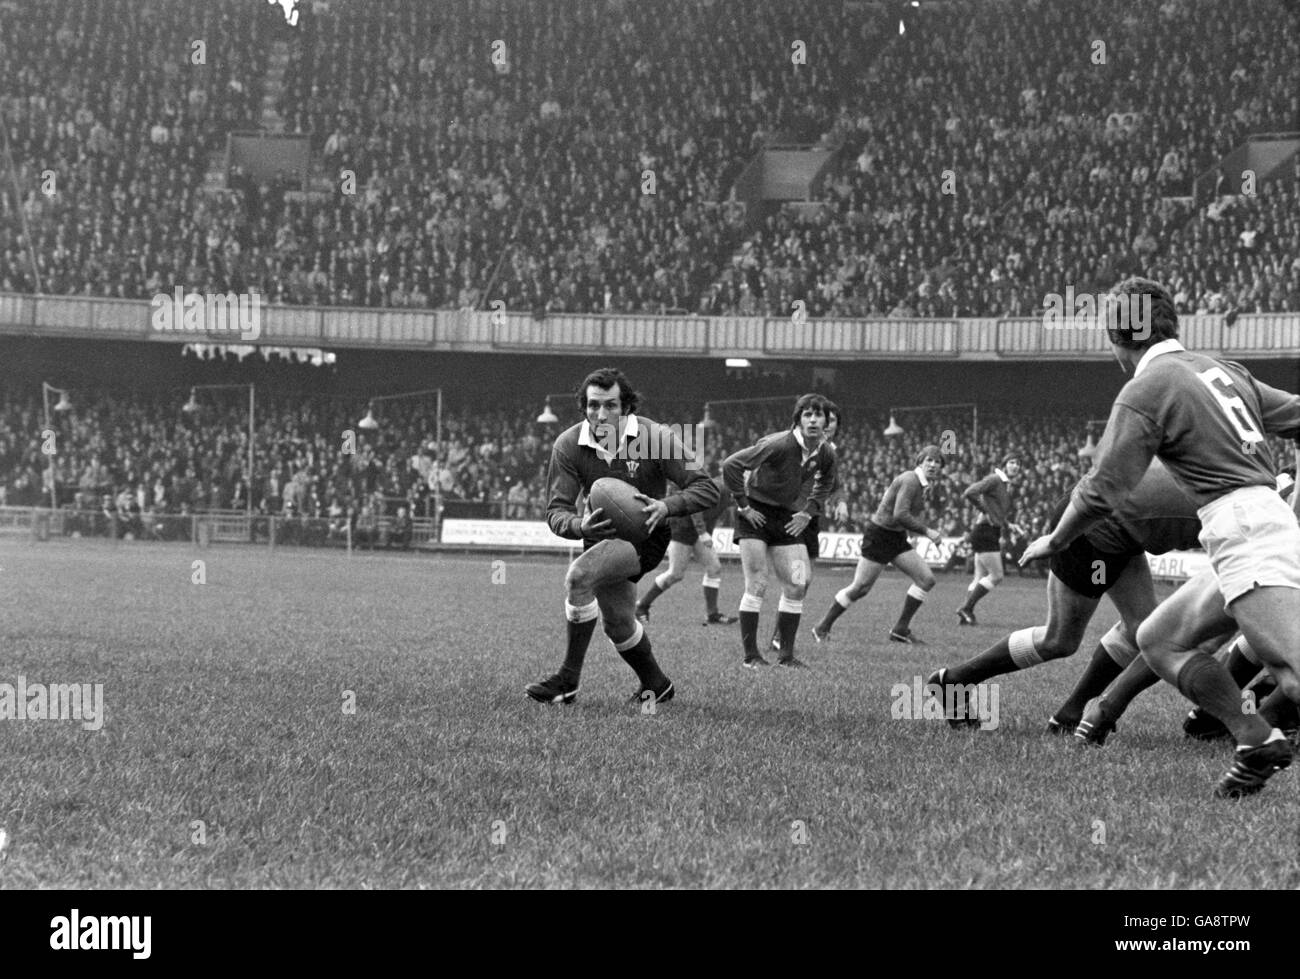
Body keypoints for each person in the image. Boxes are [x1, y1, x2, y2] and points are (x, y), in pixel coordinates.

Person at [1019, 276, 1300, 797]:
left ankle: (1256, 734)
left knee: (1293, 674)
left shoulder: (1147, 387)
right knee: (1157, 638)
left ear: (1116, 338)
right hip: (1251, 525)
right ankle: (1254, 737)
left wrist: (1055, 541)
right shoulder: (1222, 369)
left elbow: (1101, 490)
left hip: (1244, 529)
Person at [928, 458, 1201, 731]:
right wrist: (1059, 540)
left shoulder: (1227, 471)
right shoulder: (1236, 502)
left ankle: (1069, 714)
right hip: (1093, 524)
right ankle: (956, 680)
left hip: (1116, 522)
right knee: (1059, 640)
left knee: (1143, 628)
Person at [525, 367, 720, 706]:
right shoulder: (569, 444)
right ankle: (656, 685)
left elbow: (705, 488)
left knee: (579, 577)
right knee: (617, 622)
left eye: (611, 406)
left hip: (647, 535)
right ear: (583, 407)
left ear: (627, 406)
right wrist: (578, 527)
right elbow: (556, 510)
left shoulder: (657, 437)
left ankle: (567, 680)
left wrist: (666, 505)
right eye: (593, 405)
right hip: (598, 536)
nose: (601, 414)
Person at [722, 394, 837, 668]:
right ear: (797, 419)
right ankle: (751, 657)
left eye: (818, 415)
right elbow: (732, 465)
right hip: (756, 518)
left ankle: (786, 656)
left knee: (798, 582)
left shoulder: (825, 452)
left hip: (787, 520)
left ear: (827, 423)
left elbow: (827, 482)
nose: (812, 420)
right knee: (758, 584)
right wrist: (743, 505)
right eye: (807, 414)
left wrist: (808, 512)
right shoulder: (779, 444)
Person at [812, 445, 945, 646]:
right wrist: (927, 531)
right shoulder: (911, 480)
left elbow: (902, 514)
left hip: (896, 537)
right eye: (929, 460)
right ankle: (822, 626)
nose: (933, 465)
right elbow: (899, 514)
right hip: (880, 536)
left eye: (938, 462)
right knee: (860, 588)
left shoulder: (922, 483)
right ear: (920, 461)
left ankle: (900, 630)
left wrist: (910, 533)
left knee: (926, 579)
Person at [769, 402, 846, 652]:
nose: (827, 424)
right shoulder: (797, 446)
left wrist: (840, 501)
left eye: (831, 420)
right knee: (798, 579)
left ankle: (781, 635)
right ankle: (780, 637)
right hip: (794, 517)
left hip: (811, 519)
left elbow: (834, 482)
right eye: (826, 419)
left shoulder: (828, 451)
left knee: (805, 580)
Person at [634, 476, 739, 626]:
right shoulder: (719, 488)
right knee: (675, 573)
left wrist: (706, 533)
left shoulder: (730, 495)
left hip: (696, 532)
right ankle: (642, 606)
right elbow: (696, 509)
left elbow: (712, 517)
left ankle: (712, 614)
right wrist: (703, 533)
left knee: (714, 568)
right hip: (681, 528)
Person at [956, 454, 1024, 624]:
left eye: (1018, 464)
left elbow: (997, 511)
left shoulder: (1005, 484)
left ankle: (965, 616)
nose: (1015, 466)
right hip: (984, 532)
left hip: (989, 531)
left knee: (979, 578)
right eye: (1012, 462)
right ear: (1004, 464)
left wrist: (1009, 525)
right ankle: (966, 608)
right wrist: (984, 511)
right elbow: (970, 492)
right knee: (997, 576)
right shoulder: (994, 479)